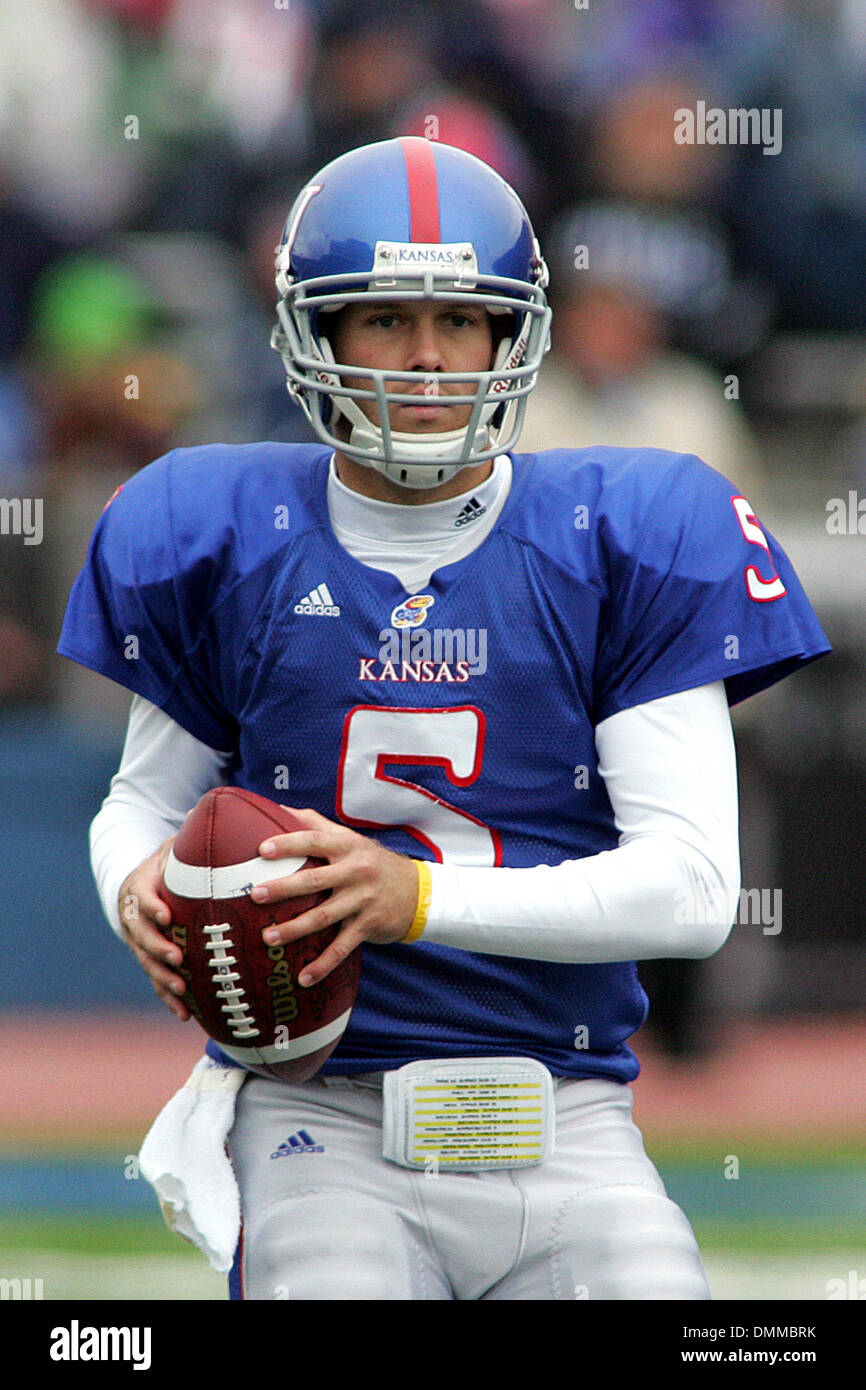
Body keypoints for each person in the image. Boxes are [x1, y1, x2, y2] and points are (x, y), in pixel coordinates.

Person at [58, 136, 830, 1301]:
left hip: (566, 1114)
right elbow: (142, 805)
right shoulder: (219, 530)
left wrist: (408, 896)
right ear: (314, 338)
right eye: (382, 320)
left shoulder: (626, 533)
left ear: (509, 337)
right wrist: (142, 896)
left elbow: (690, 889)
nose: (425, 359)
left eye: (460, 322)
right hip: (321, 1119)